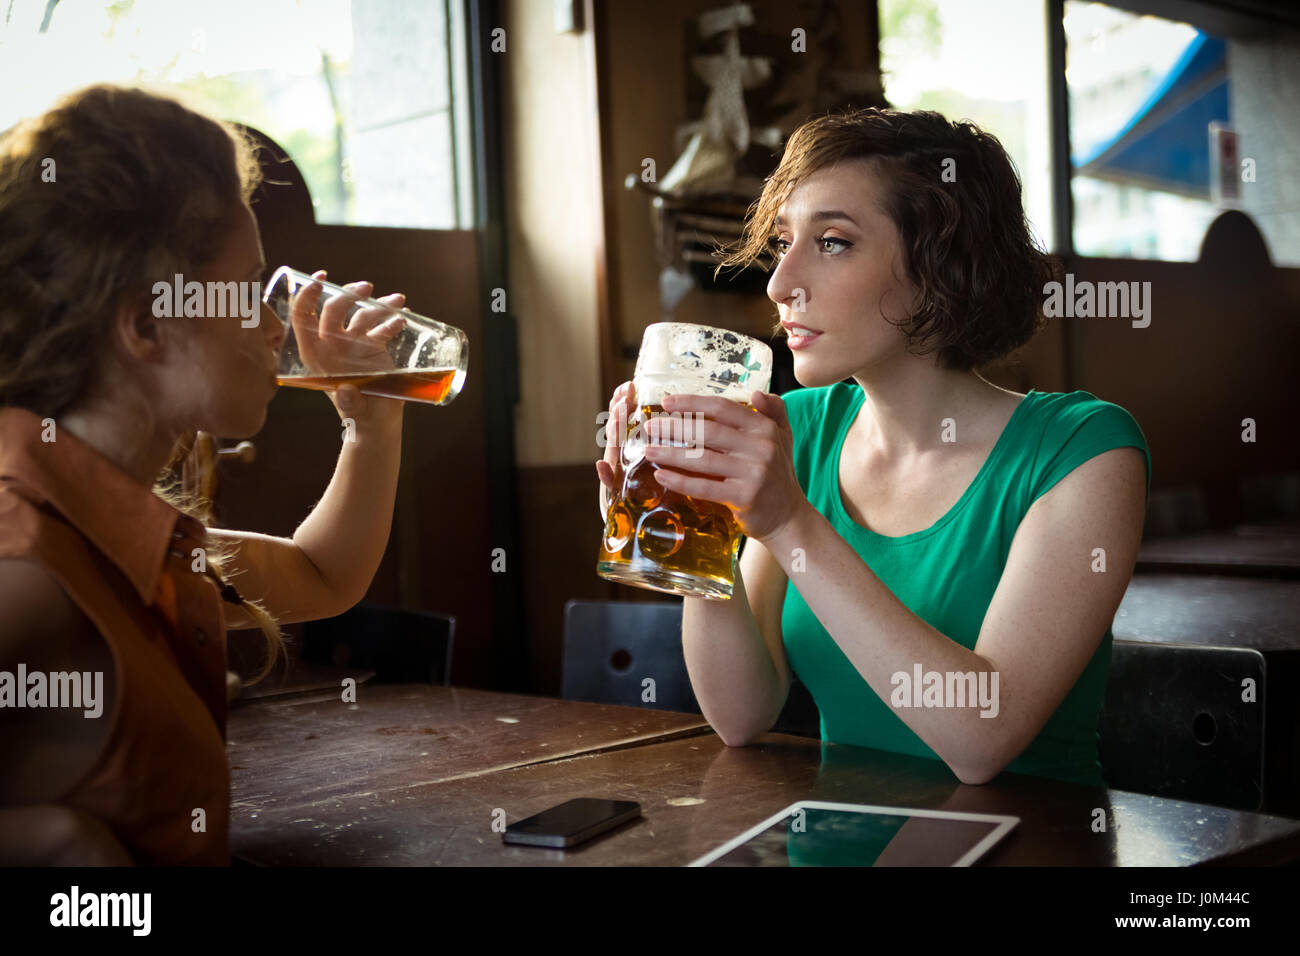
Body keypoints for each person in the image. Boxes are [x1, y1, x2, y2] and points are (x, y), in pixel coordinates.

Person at [597, 109, 1150, 788]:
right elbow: (742, 715)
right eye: (782, 242)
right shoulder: (797, 429)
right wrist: (691, 528)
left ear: (942, 266)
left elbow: (982, 737)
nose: (779, 284)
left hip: (1028, 841)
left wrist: (790, 521)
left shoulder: (1082, 450)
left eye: (832, 242)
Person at [0, 85, 406, 863]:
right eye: (250, 288)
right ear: (147, 325)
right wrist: (57, 852)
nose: (273, 324)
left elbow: (325, 575)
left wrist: (371, 423)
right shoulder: (25, 567)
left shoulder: (112, 525)